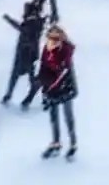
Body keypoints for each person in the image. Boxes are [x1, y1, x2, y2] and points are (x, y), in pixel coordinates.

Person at [39, 24, 79, 160]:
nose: (52, 41)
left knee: (68, 117)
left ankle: (73, 144)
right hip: (51, 88)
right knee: (53, 117)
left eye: (55, 39)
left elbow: (66, 72)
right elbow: (43, 69)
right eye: (50, 38)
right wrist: (44, 89)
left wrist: (72, 89)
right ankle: (56, 142)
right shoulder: (47, 50)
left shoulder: (66, 52)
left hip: (65, 88)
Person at [1, 0, 46, 108]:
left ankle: (10, 95)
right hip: (31, 54)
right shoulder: (37, 22)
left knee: (16, 76)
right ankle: (36, 97)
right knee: (30, 77)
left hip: (24, 53)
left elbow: (21, 28)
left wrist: (9, 19)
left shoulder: (31, 23)